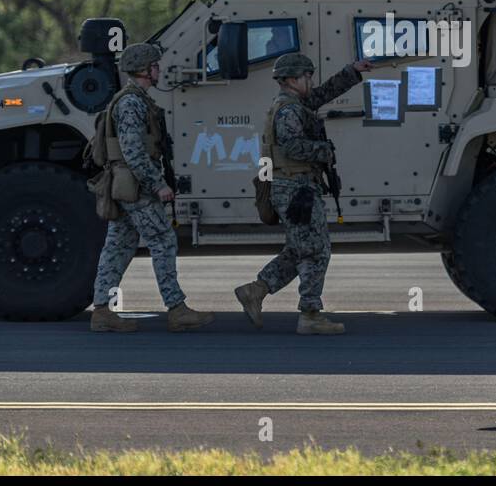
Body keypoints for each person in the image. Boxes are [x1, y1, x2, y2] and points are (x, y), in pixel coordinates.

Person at [234, 52, 371, 335]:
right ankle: (310, 314)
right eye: (307, 76)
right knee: (317, 251)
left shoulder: (294, 103)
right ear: (293, 79)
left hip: (295, 186)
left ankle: (256, 290)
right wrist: (324, 151)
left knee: (301, 248)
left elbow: (323, 93)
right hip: (295, 187)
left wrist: (353, 71)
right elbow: (292, 147)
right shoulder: (288, 111)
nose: (311, 80)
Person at [90, 42, 213, 333]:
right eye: (155, 66)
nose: (159, 70)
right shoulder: (132, 103)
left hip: (126, 185)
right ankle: (176, 309)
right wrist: (157, 184)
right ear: (145, 70)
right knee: (163, 240)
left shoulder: (133, 100)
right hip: (137, 187)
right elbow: (133, 151)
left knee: (118, 246)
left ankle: (102, 311)